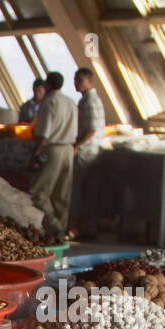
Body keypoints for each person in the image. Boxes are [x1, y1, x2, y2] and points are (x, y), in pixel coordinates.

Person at [28, 71, 78, 240]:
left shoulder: (49, 102)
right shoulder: (71, 102)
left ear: (47, 85)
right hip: (69, 149)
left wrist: (36, 153)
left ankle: (53, 226)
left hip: (53, 149)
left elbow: (44, 132)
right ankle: (61, 231)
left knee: (38, 192)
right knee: (62, 194)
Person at [67, 66, 105, 241]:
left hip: (86, 152)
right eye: (75, 80)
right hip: (90, 150)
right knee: (88, 192)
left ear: (89, 81)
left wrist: (76, 146)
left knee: (78, 191)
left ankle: (75, 227)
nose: (76, 84)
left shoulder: (90, 102)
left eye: (79, 80)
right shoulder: (86, 101)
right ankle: (86, 228)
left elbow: (91, 130)